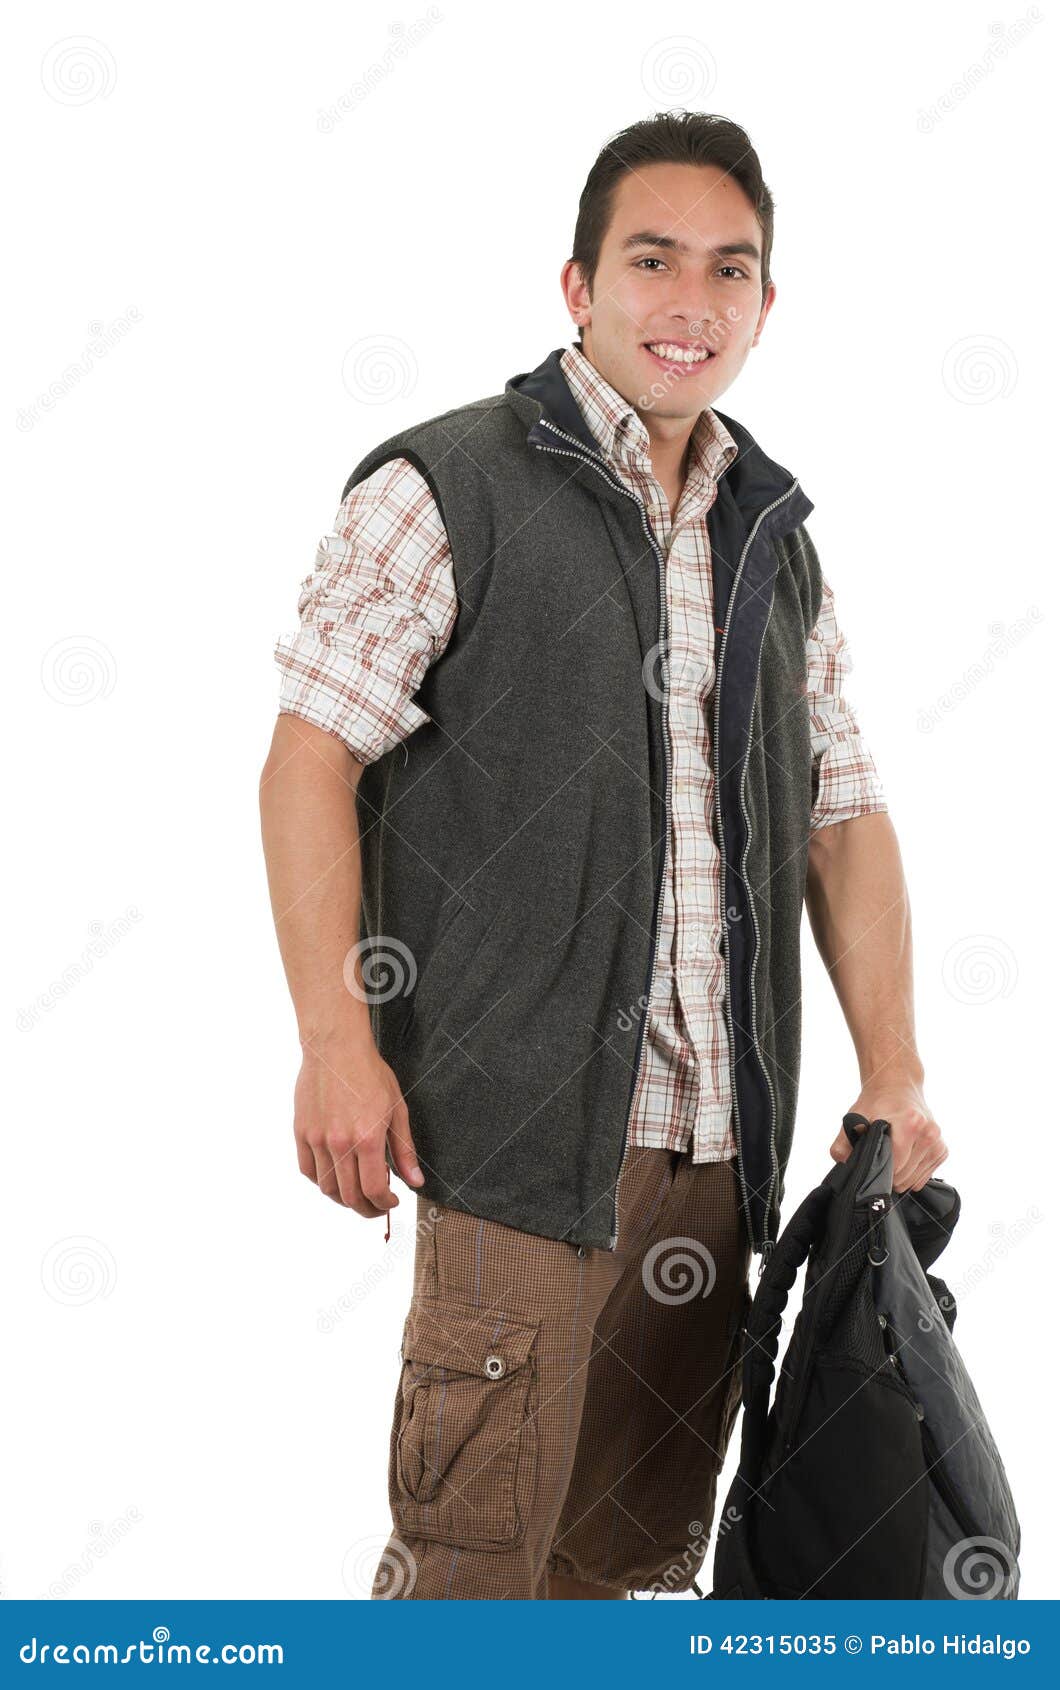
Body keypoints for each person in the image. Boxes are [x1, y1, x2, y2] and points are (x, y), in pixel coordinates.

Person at [258, 111, 948, 1601]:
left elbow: (843, 806)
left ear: (768, 304)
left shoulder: (776, 535)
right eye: (652, 261)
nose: (690, 303)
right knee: (469, 1573)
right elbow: (310, 755)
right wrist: (336, 1041)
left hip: (720, 1158)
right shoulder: (444, 489)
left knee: (626, 1573)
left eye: (730, 270)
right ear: (576, 285)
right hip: (515, 1150)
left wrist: (891, 1067)